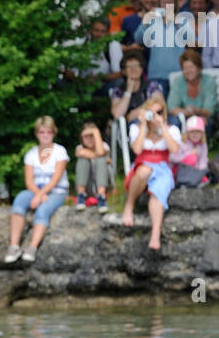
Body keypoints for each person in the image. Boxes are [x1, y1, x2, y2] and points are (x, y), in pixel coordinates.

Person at [5, 116, 69, 264]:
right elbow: (29, 180)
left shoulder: (60, 151)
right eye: (42, 132)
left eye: (48, 132)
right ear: (37, 134)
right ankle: (14, 246)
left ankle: (32, 247)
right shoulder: (31, 154)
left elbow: (56, 179)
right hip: (36, 189)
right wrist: (37, 194)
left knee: (43, 210)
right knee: (20, 200)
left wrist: (41, 195)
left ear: (53, 133)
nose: (45, 135)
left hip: (57, 191)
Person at [122, 94, 180, 251]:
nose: (155, 116)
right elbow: (137, 149)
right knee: (144, 170)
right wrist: (143, 125)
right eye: (152, 112)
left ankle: (155, 234)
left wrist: (162, 128)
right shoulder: (137, 129)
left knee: (158, 193)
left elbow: (174, 150)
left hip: (162, 166)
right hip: (143, 164)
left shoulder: (172, 130)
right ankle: (129, 206)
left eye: (159, 112)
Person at [167, 49, 219, 135]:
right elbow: (171, 107)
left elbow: (209, 110)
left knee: (205, 123)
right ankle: (179, 147)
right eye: (185, 68)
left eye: (191, 67)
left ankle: (203, 148)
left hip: (206, 117)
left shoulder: (209, 81)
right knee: (173, 120)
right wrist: (187, 113)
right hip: (185, 117)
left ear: (199, 67)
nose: (188, 71)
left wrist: (196, 112)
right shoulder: (178, 82)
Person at [108, 50, 166, 123]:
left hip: (153, 121)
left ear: (141, 69)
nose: (134, 69)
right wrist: (128, 90)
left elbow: (160, 104)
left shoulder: (151, 85)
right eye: (130, 67)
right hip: (132, 127)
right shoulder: (118, 91)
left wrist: (136, 112)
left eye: (136, 66)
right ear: (124, 71)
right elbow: (117, 114)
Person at [72, 122, 110, 212]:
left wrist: (95, 131)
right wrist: (101, 156)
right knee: (83, 160)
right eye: (86, 136)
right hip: (88, 186)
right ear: (81, 138)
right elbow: (82, 153)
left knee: (100, 160)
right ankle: (81, 195)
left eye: (91, 135)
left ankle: (101, 196)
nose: (89, 139)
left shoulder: (104, 146)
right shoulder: (79, 148)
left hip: (104, 184)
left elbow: (100, 152)